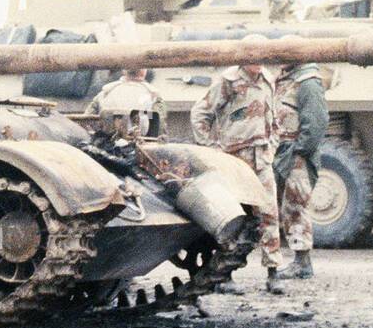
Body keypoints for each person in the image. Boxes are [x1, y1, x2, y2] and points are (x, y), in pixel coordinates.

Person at [190, 40, 285, 294]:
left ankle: (273, 272)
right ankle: (223, 275)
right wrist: (212, 150)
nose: (258, 60)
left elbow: (276, 119)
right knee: (231, 218)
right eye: (253, 55)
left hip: (262, 158)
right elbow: (200, 114)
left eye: (262, 55)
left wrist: (272, 146)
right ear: (243, 57)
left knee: (269, 214)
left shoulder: (268, 79)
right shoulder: (227, 81)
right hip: (234, 160)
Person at [273, 63, 329, 279]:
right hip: (282, 151)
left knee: (296, 205)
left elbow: (316, 122)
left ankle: (302, 263)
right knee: (286, 207)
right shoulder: (286, 78)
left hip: (296, 155)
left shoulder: (307, 81)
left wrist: (300, 150)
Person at [85, 67, 167, 137]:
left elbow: (86, 120)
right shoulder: (154, 96)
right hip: (139, 147)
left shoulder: (104, 93)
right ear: (143, 72)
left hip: (107, 146)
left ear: (124, 71)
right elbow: (160, 130)